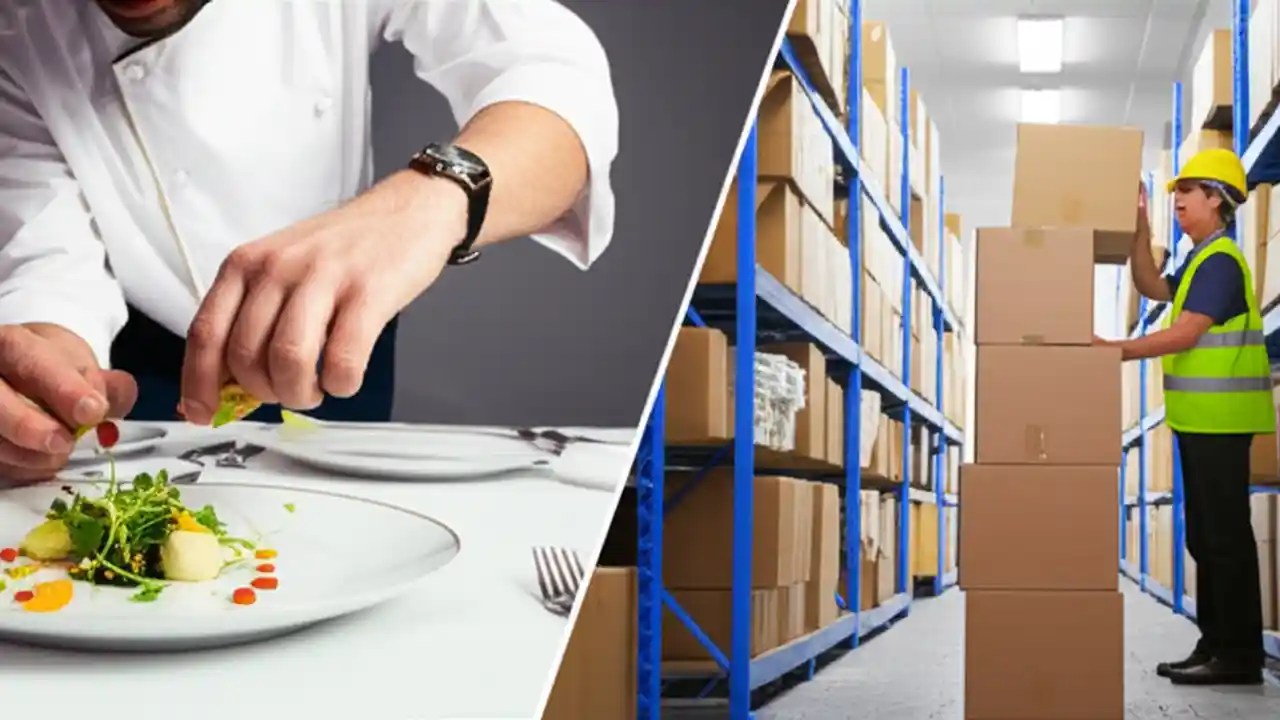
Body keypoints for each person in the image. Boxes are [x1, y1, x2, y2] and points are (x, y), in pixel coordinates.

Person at [0, 0, 618, 483]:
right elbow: (49, 253)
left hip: (330, 338)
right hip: (141, 369)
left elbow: (549, 68)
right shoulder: (16, 26)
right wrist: (46, 371)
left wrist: (429, 201)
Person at [1097, 148, 1272, 686]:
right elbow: (1152, 286)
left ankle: (1239, 656)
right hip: (1201, 419)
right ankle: (1216, 644)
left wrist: (1115, 350)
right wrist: (1138, 225)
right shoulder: (1198, 260)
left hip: (1221, 418)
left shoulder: (1220, 262)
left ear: (1216, 200)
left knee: (1223, 537)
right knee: (1205, 535)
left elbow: (1186, 332)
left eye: (1188, 190)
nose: (1179, 198)